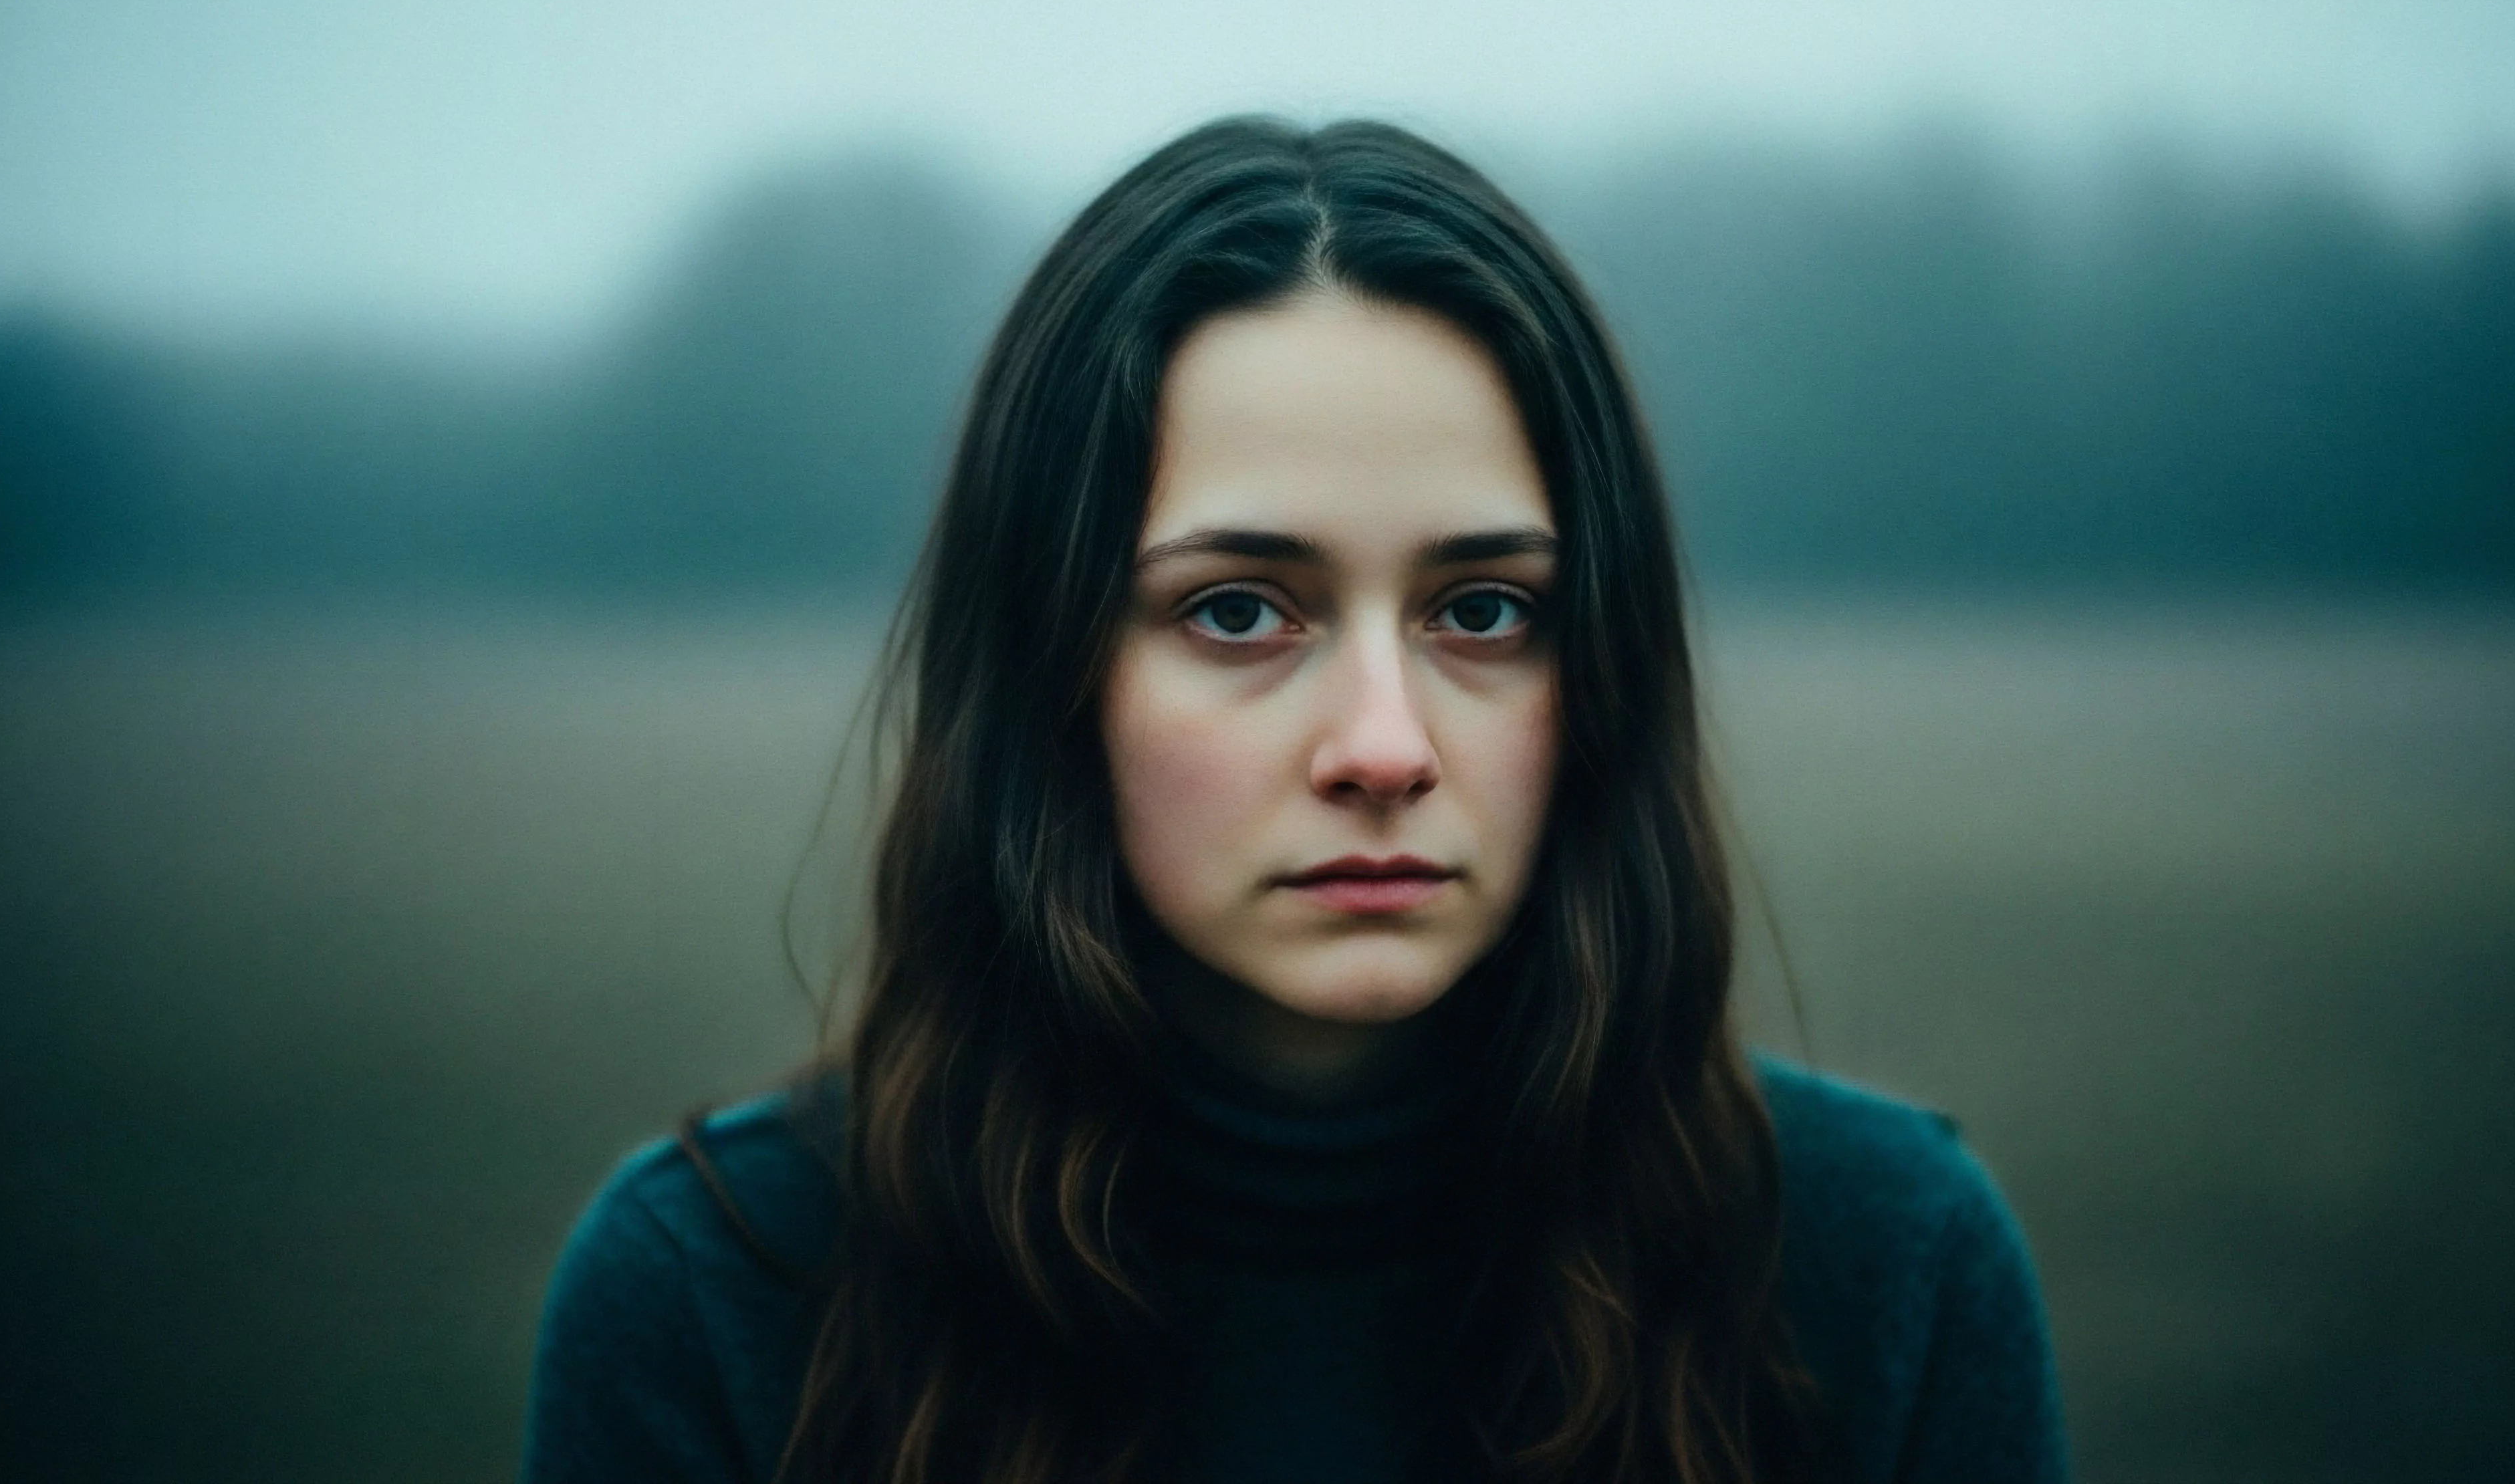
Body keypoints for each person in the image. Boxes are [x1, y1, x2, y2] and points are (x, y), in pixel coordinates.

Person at [522, 116, 2064, 1484]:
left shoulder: (1884, 1270)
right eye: (1241, 612)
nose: (1383, 749)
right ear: (1048, 667)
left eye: (1484, 612)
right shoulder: (718, 1295)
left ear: (1604, 664)